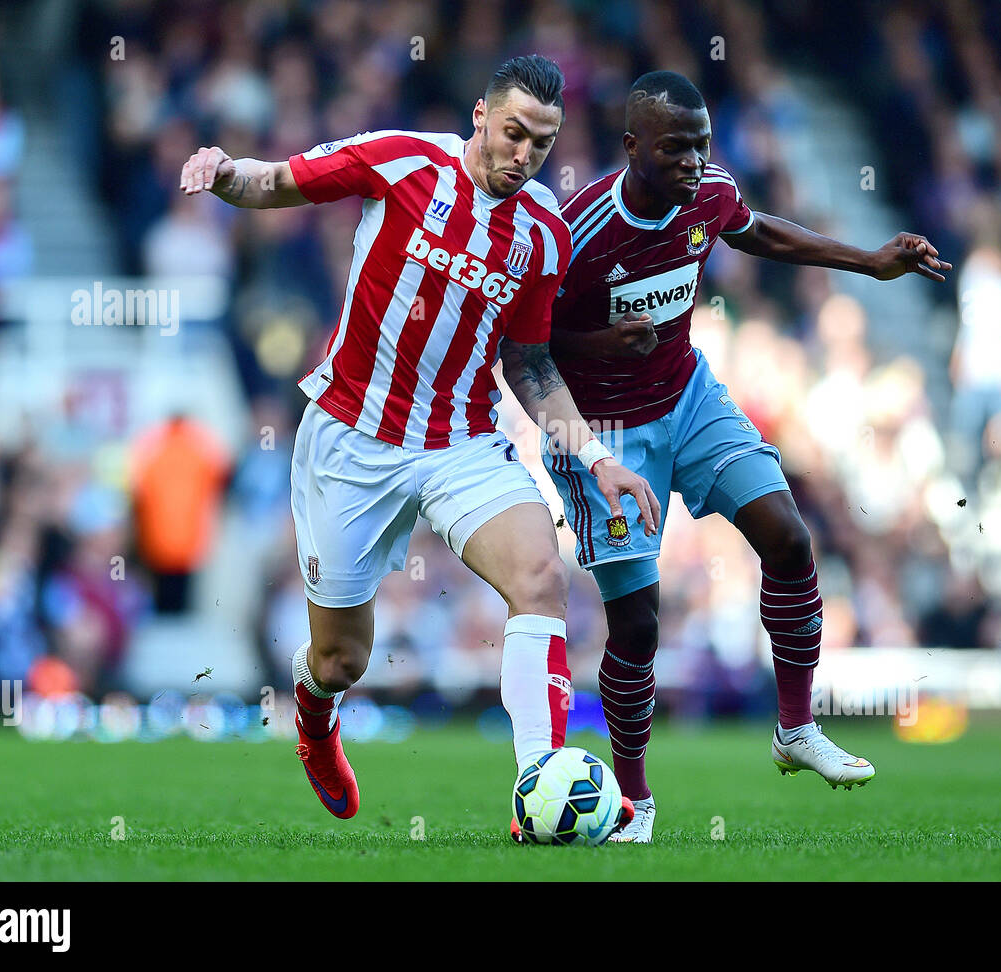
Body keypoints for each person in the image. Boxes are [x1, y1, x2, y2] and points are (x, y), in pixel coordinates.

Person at [178, 55, 661, 827]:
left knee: (540, 578)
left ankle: (539, 782)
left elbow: (530, 364)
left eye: (541, 143)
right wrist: (227, 171)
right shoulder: (404, 160)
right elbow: (280, 181)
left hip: (461, 442)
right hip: (350, 438)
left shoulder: (542, 235)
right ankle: (314, 717)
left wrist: (597, 455)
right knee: (343, 659)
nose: (523, 155)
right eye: (512, 134)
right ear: (479, 116)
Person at [546, 71, 952, 842]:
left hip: (688, 396)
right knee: (637, 626)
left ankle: (795, 730)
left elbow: (755, 230)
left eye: (702, 144)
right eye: (675, 148)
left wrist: (867, 261)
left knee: (790, 539)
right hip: (603, 432)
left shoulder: (707, 190)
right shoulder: (580, 230)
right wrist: (601, 342)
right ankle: (634, 799)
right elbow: (524, 345)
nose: (695, 161)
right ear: (633, 146)